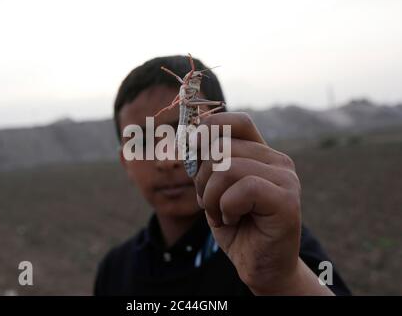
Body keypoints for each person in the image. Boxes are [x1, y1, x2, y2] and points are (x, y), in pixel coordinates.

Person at [94, 55, 351, 296]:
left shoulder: (280, 244)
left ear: (224, 134)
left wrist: (285, 279)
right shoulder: (114, 269)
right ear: (125, 161)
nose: (168, 159)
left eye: (186, 133)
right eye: (142, 142)